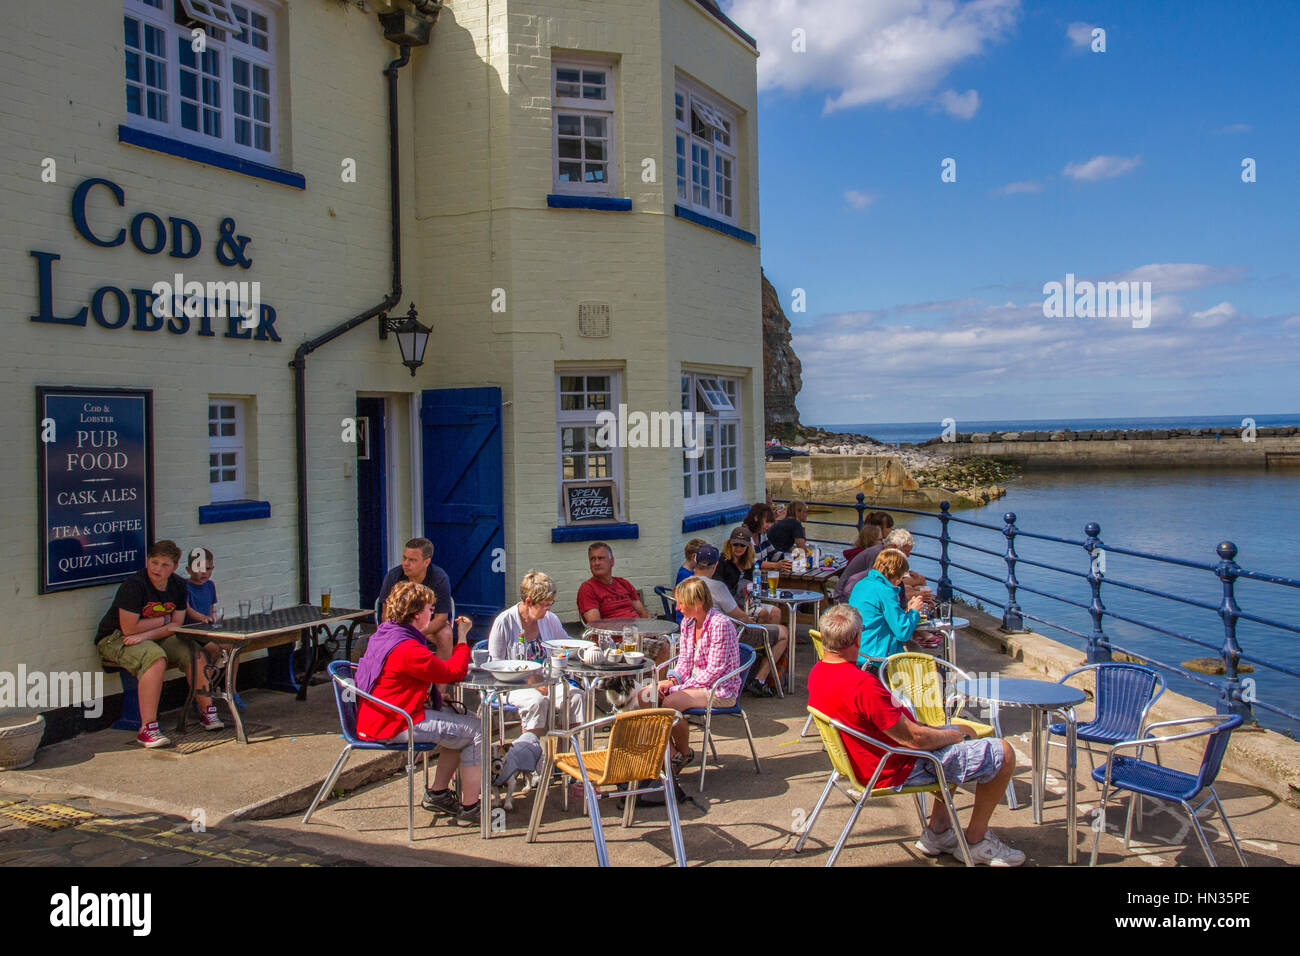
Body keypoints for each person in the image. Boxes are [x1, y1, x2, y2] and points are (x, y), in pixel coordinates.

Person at [808, 604, 1023, 865]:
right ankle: (976, 840)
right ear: (856, 639)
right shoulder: (861, 685)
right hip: (897, 765)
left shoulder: (818, 673)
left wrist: (945, 731)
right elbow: (914, 740)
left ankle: (939, 831)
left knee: (957, 734)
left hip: (867, 760)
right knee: (1003, 753)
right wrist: (955, 735)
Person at [355, 580, 483, 823]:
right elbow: (452, 671)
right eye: (429, 610)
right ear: (416, 614)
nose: (432, 614)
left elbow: (395, 682)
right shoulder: (407, 648)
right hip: (394, 724)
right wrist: (463, 638)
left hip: (378, 716)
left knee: (459, 720)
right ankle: (471, 808)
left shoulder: (385, 634)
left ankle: (438, 793)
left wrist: (427, 695)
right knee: (475, 730)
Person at [94, 540, 222, 747]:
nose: (158, 569)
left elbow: (177, 624)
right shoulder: (134, 586)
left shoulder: (179, 585)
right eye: (154, 563)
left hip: (151, 635)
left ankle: (207, 711)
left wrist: (149, 632)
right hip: (115, 638)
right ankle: (148, 728)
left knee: (194, 652)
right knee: (155, 658)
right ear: (147, 561)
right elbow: (129, 629)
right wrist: (164, 621)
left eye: (164, 565)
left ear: (174, 567)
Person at [655, 577, 742, 773]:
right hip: (695, 684)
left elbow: (714, 672)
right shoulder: (688, 622)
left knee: (669, 704)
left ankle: (684, 754)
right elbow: (684, 660)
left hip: (720, 689)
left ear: (698, 603)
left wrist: (675, 689)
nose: (677, 608)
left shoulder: (721, 625)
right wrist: (672, 680)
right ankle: (670, 755)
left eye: (681, 602)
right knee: (646, 696)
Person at [486, 571, 583, 732]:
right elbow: (495, 666)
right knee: (536, 702)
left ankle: (562, 753)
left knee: (575, 697)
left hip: (547, 682)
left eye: (551, 604)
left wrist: (585, 648)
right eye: (545, 604)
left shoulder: (550, 619)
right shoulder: (504, 622)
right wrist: (529, 680)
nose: (549, 609)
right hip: (513, 685)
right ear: (529, 602)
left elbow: (565, 644)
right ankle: (530, 752)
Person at [692, 544, 787, 696]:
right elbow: (740, 616)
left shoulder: (685, 584)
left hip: (697, 635)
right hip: (727, 637)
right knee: (782, 632)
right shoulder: (717, 587)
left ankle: (753, 673)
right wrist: (752, 622)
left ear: (694, 560)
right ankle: (759, 679)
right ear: (716, 565)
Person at [376, 538, 454, 658]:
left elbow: (441, 618)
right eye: (404, 558)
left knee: (446, 635)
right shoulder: (394, 576)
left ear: (426, 562)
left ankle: (442, 674)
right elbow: (386, 614)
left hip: (428, 627)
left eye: (412, 560)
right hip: (399, 625)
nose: (405, 563)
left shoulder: (439, 578)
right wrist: (403, 631)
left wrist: (417, 632)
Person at [848, 548, 927, 664]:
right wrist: (914, 612)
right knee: (916, 653)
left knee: (913, 647)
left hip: (856, 650)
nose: (900, 582)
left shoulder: (861, 584)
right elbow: (903, 632)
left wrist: (907, 611)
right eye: (900, 577)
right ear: (894, 574)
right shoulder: (886, 591)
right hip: (875, 657)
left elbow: (880, 617)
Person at [835, 527, 925, 605]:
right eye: (906, 551)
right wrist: (915, 593)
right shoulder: (879, 556)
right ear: (894, 546)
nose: (908, 555)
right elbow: (879, 585)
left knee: (914, 588)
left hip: (856, 591)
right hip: (846, 597)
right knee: (913, 591)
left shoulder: (884, 552)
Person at [576, 542, 649, 623]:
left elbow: (643, 613)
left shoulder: (624, 583)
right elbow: (596, 626)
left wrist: (649, 632)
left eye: (600, 558)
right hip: (613, 634)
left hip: (637, 632)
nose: (596, 563)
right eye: (593, 559)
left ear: (612, 561)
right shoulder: (587, 588)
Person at [743, 503, 791, 575]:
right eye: (767, 522)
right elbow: (750, 562)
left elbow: (773, 555)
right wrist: (776, 565)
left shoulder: (762, 534)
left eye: (770, 522)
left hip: (759, 577)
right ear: (756, 518)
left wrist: (791, 557)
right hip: (745, 579)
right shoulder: (743, 534)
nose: (769, 526)